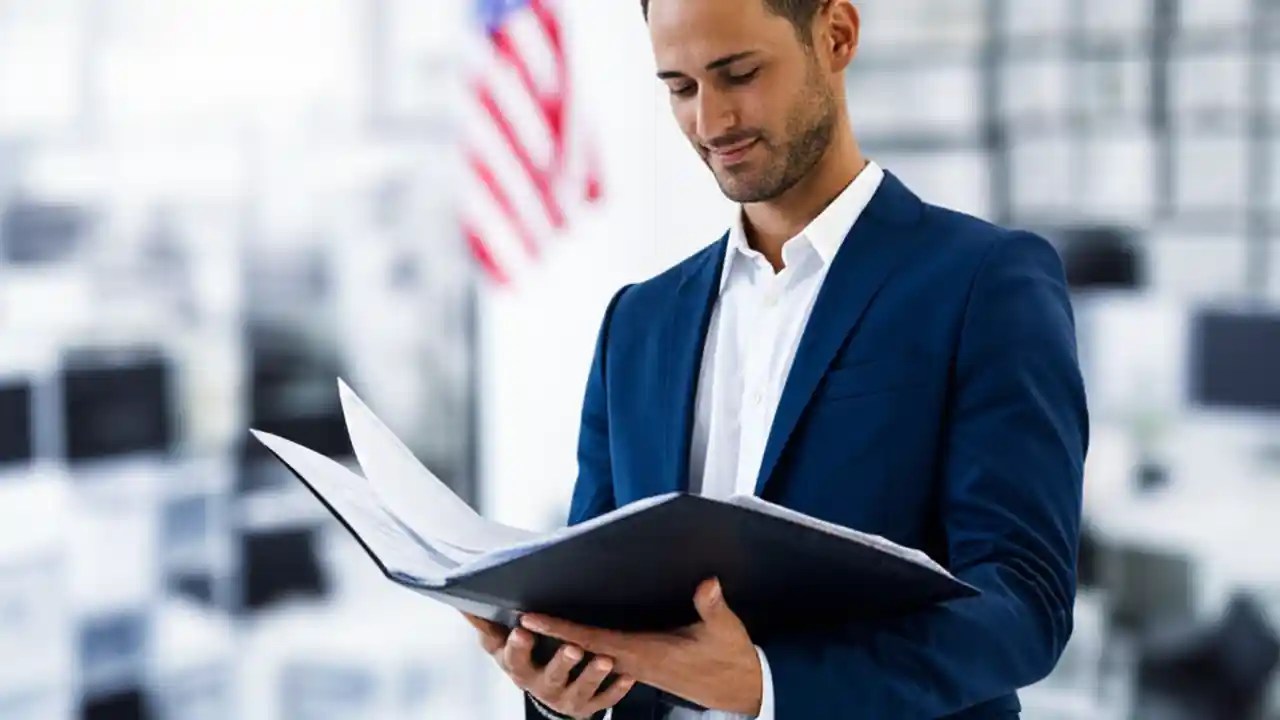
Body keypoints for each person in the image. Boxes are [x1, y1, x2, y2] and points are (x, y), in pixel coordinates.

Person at [465, 0, 1089, 717]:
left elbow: (1024, 605)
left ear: (836, 36)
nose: (711, 121)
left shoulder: (985, 281)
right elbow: (597, 599)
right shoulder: (637, 323)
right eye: (681, 87)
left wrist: (769, 685)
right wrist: (561, 692)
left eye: (739, 74)